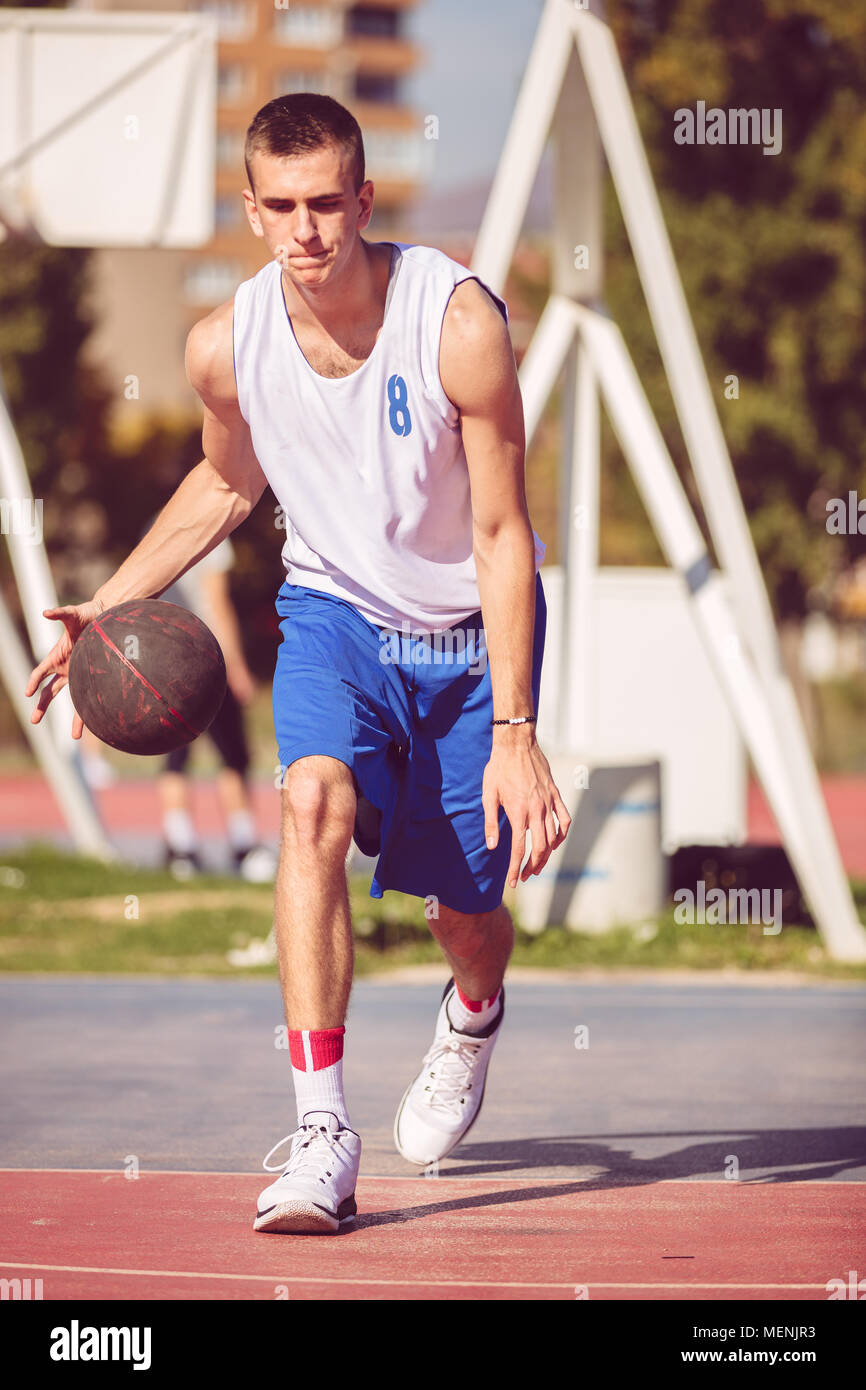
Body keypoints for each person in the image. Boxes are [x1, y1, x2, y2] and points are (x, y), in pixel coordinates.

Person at [26, 93, 571, 1236]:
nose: (306, 228)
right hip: (332, 618)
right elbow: (228, 483)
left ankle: (472, 1013)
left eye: (326, 202)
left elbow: (500, 532)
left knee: (461, 910)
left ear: (364, 200)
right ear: (252, 209)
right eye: (280, 206)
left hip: (464, 641)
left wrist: (517, 733)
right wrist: (112, 602)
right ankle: (321, 1128)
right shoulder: (227, 345)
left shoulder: (456, 321)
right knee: (308, 802)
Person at [157, 534, 276, 883]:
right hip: (205, 658)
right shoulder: (210, 528)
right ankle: (243, 845)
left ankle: (180, 847)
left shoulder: (155, 528)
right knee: (232, 757)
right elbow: (216, 602)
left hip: (164, 662)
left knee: (175, 756)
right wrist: (236, 666)